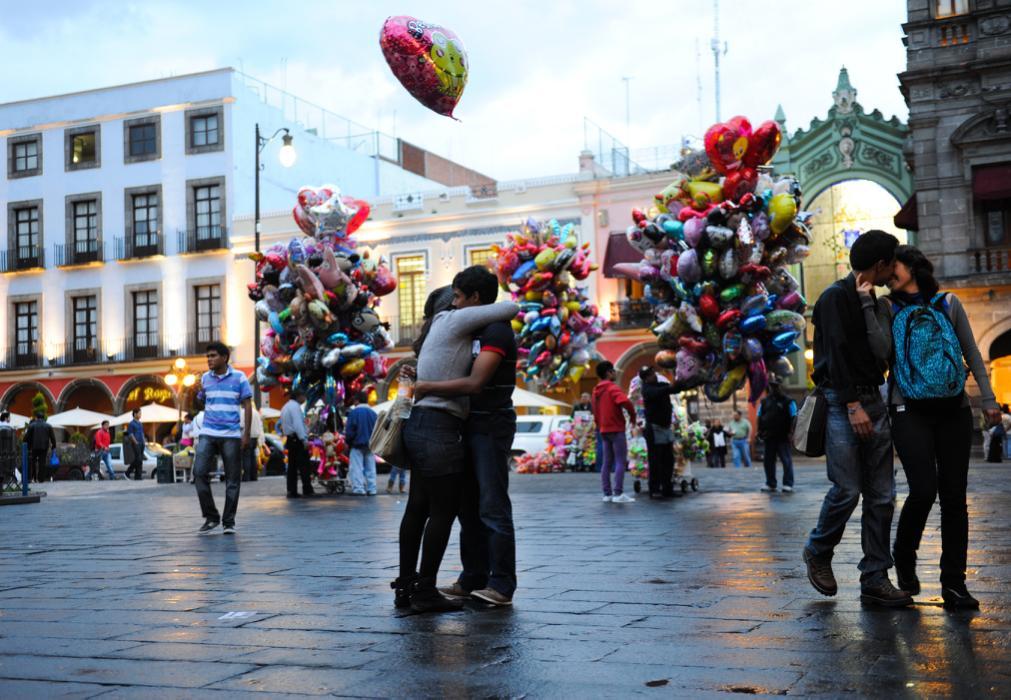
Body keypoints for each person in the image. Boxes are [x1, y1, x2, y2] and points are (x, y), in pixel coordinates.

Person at [877, 245, 1001, 609]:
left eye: (894, 263)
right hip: (907, 407)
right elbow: (879, 352)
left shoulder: (949, 303)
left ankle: (954, 584)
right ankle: (904, 552)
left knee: (954, 497)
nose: (889, 271)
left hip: (954, 408)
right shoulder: (886, 307)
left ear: (913, 266)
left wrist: (989, 398)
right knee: (923, 489)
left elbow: (971, 352)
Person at [393, 271, 518, 613]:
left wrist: (428, 386)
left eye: (460, 297)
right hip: (441, 427)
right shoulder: (454, 320)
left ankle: (408, 586)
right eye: (454, 299)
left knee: (419, 509)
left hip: (424, 425)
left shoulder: (446, 328)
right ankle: (426, 590)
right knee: (445, 512)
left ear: (473, 298)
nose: (457, 303)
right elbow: (512, 306)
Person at [803, 230, 912, 607]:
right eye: (891, 264)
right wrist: (852, 406)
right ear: (880, 264)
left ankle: (875, 576)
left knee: (882, 495)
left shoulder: (875, 301)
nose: (892, 271)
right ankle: (818, 548)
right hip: (841, 401)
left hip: (875, 399)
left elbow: (883, 354)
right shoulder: (834, 297)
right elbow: (834, 355)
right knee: (847, 489)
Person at [193, 342, 253, 535]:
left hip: (231, 435)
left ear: (224, 358)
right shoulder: (205, 378)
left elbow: (248, 406)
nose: (209, 359)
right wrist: (198, 394)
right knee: (199, 472)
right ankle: (211, 517)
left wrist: (246, 434)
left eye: (213, 356)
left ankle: (228, 521)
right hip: (208, 432)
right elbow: (203, 400)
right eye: (207, 356)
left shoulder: (240, 377)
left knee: (233, 479)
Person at [592, 361, 637, 503]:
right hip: (616, 428)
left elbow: (595, 411)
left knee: (607, 462)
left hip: (603, 430)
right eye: (613, 371)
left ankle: (607, 494)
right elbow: (626, 402)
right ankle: (618, 494)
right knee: (620, 461)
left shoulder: (595, 391)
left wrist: (600, 425)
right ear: (608, 373)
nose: (615, 373)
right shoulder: (612, 388)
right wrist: (633, 416)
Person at [637, 366, 679, 498]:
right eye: (649, 375)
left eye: (652, 373)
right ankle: (654, 489)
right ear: (645, 379)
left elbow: (670, 388)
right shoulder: (647, 389)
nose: (653, 375)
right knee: (655, 460)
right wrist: (670, 387)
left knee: (668, 460)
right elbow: (661, 391)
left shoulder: (660, 385)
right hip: (654, 429)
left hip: (665, 428)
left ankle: (667, 489)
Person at [758, 381, 797, 493]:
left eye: (776, 386)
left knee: (786, 460)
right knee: (768, 460)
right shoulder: (765, 402)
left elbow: (794, 416)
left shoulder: (788, 401)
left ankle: (788, 483)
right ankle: (770, 483)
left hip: (783, 435)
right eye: (772, 387)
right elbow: (760, 416)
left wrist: (792, 432)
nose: (774, 389)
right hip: (769, 435)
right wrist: (759, 431)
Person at [279, 389, 313, 498]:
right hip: (297, 439)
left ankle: (291, 490)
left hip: (290, 438)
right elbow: (298, 424)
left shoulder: (286, 406)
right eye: (304, 396)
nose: (305, 399)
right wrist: (304, 439)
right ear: (299, 396)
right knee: (304, 465)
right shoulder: (295, 407)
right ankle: (307, 488)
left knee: (292, 466)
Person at [345, 393, 379, 496]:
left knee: (356, 468)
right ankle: (372, 488)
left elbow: (350, 431)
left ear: (356, 401)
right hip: (370, 445)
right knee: (371, 468)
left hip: (357, 444)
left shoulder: (354, 413)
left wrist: (348, 442)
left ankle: (359, 489)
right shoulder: (373, 413)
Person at [23, 411, 56, 483]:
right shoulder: (48, 426)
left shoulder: (32, 425)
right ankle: (41, 479)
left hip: (33, 447)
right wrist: (54, 446)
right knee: (42, 462)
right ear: (44, 418)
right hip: (44, 447)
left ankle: (32, 477)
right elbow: (53, 437)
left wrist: (26, 444)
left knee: (32, 462)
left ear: (36, 417)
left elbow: (26, 437)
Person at [241, 407, 264, 482]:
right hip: (255, 437)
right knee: (252, 456)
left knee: (246, 457)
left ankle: (246, 476)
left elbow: (241, 425)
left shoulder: (242, 412)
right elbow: (260, 426)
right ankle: (254, 476)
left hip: (247, 436)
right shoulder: (256, 412)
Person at [124, 408, 146, 480]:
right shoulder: (131, 424)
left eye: (141, 413)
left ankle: (138, 476)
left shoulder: (140, 423)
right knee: (138, 459)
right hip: (135, 443)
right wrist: (135, 442)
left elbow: (142, 433)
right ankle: (127, 473)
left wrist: (144, 441)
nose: (140, 415)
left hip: (141, 443)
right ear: (135, 414)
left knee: (140, 460)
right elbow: (130, 434)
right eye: (139, 413)